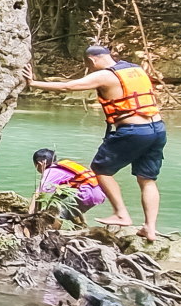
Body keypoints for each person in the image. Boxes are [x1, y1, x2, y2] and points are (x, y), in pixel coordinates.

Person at [28, 43, 165, 239]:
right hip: (158, 129)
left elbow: (69, 86)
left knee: (100, 170)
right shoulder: (135, 69)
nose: (90, 70)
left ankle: (121, 214)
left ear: (92, 60)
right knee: (147, 180)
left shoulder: (105, 75)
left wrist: (33, 83)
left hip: (134, 131)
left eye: (89, 66)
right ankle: (150, 228)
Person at [32, 148, 106, 212]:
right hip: (98, 192)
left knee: (54, 211)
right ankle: (80, 225)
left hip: (86, 193)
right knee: (67, 204)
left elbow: (38, 193)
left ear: (40, 163)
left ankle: (52, 228)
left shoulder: (49, 171)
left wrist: (30, 212)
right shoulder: (63, 165)